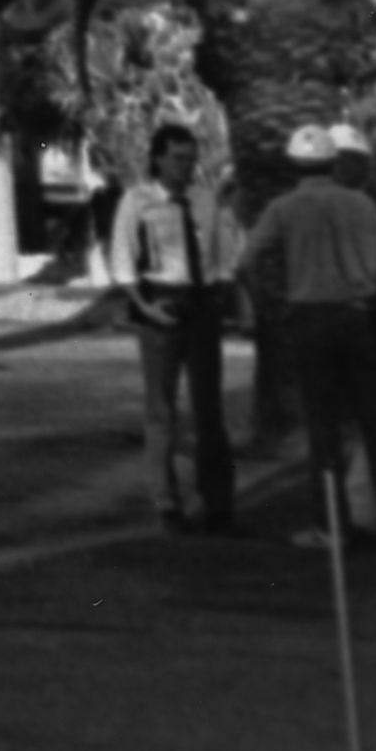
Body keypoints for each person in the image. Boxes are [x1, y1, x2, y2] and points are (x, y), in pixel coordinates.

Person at [247, 122, 376, 545]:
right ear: (332, 161)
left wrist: (270, 303)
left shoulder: (283, 208)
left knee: (323, 428)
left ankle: (331, 526)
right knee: (375, 424)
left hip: (310, 318)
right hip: (358, 317)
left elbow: (248, 260)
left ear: (293, 164)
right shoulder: (362, 205)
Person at [109, 122, 246, 534]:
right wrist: (145, 307)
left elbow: (222, 254)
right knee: (162, 409)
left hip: (201, 304)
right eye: (178, 158)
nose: (186, 167)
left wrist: (222, 297)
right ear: (158, 159)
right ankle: (167, 503)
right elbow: (123, 261)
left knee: (209, 409)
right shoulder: (139, 201)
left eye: (191, 159)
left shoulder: (204, 200)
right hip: (162, 304)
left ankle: (218, 503)